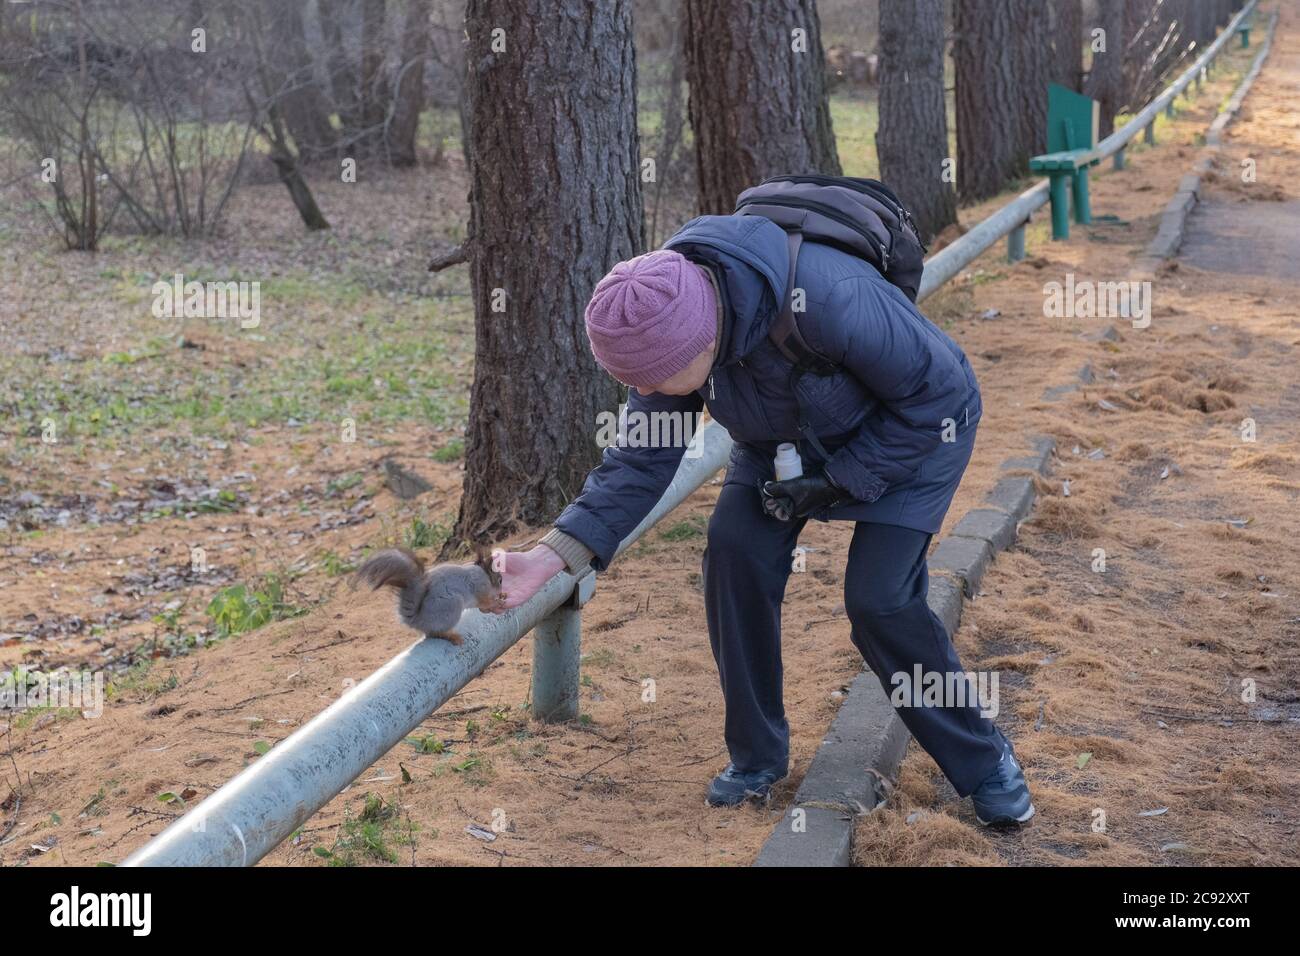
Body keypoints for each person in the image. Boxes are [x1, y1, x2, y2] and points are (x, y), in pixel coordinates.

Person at [496, 212, 1034, 825]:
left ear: (702, 337)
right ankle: (756, 757)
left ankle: (984, 760)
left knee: (880, 601)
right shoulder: (666, 330)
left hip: (912, 434)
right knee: (735, 555)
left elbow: (942, 395)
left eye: (653, 378)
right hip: (781, 438)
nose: (646, 389)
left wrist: (836, 482)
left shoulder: (832, 297)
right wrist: (553, 555)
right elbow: (640, 459)